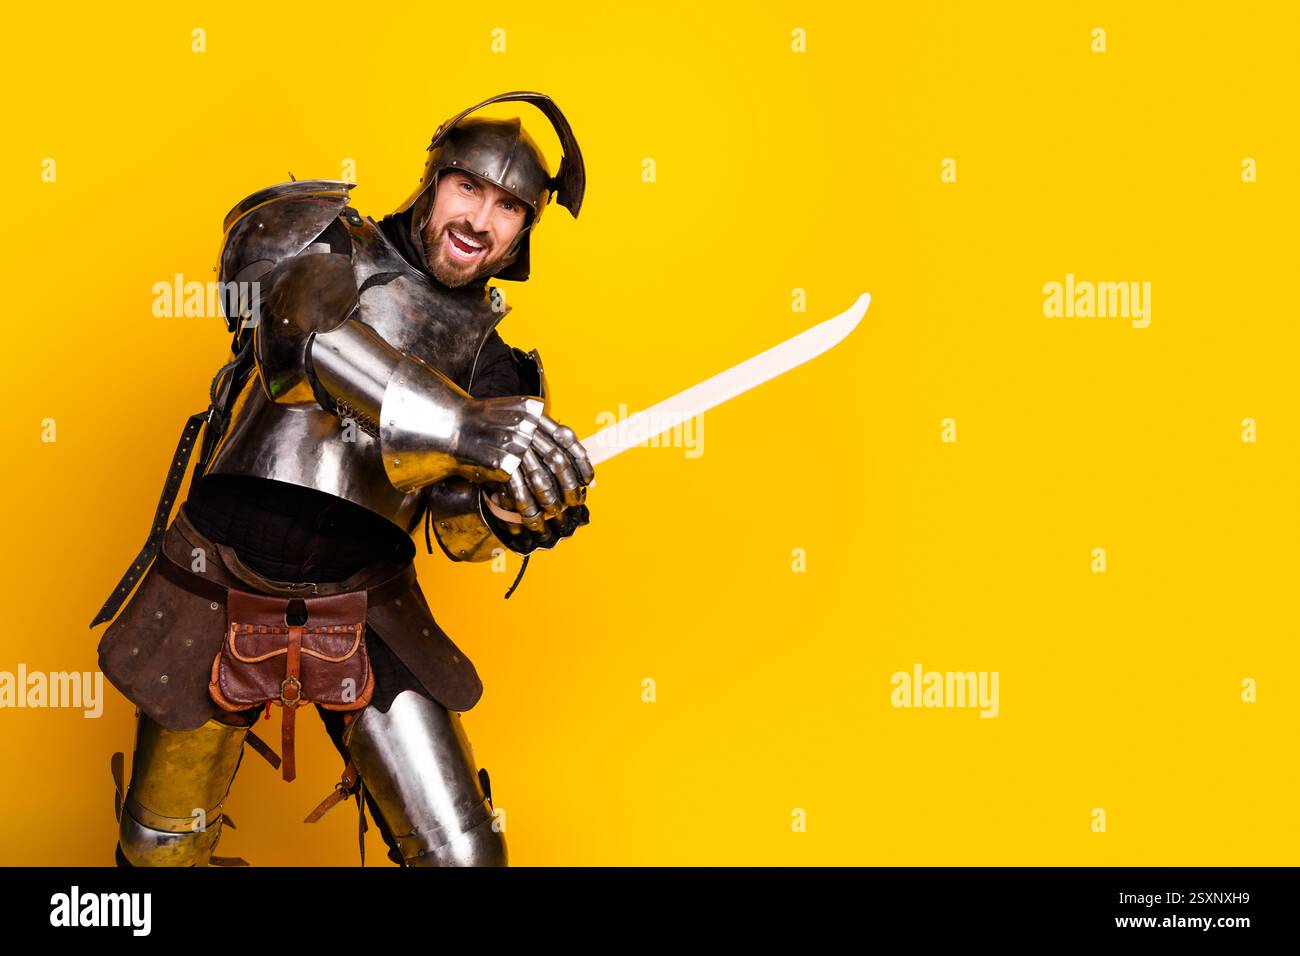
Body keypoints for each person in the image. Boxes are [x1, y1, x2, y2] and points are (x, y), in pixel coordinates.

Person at [90, 91, 592, 867]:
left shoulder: (500, 368)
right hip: (215, 574)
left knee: (463, 856)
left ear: (526, 229)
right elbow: (298, 347)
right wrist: (462, 429)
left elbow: (456, 530)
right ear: (433, 179)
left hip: (367, 598)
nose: (479, 220)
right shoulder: (323, 241)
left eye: (509, 207)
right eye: (468, 187)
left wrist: (516, 514)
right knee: (159, 855)